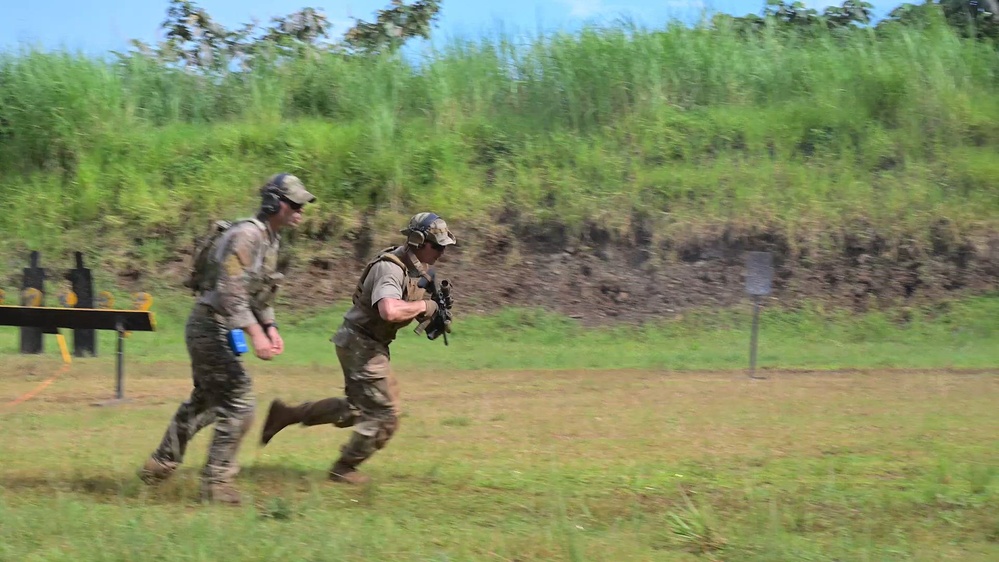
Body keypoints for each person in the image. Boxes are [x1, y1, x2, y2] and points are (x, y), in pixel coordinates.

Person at [139, 173, 315, 505]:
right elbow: (230, 290)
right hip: (211, 326)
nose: (300, 210)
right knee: (239, 401)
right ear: (274, 203)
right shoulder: (246, 236)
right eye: (294, 204)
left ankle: (160, 463)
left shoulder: (270, 240)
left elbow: (260, 294)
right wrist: (255, 334)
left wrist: (271, 327)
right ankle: (216, 483)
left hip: (221, 325)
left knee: (207, 401)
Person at [258, 212, 456, 484]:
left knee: (356, 409)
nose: (442, 252)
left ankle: (288, 414)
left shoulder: (418, 270)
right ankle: (344, 468)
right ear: (418, 240)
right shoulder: (391, 268)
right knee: (386, 414)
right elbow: (388, 309)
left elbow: (405, 305)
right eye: (438, 245)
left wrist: (433, 316)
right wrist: (425, 306)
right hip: (361, 343)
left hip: (364, 342)